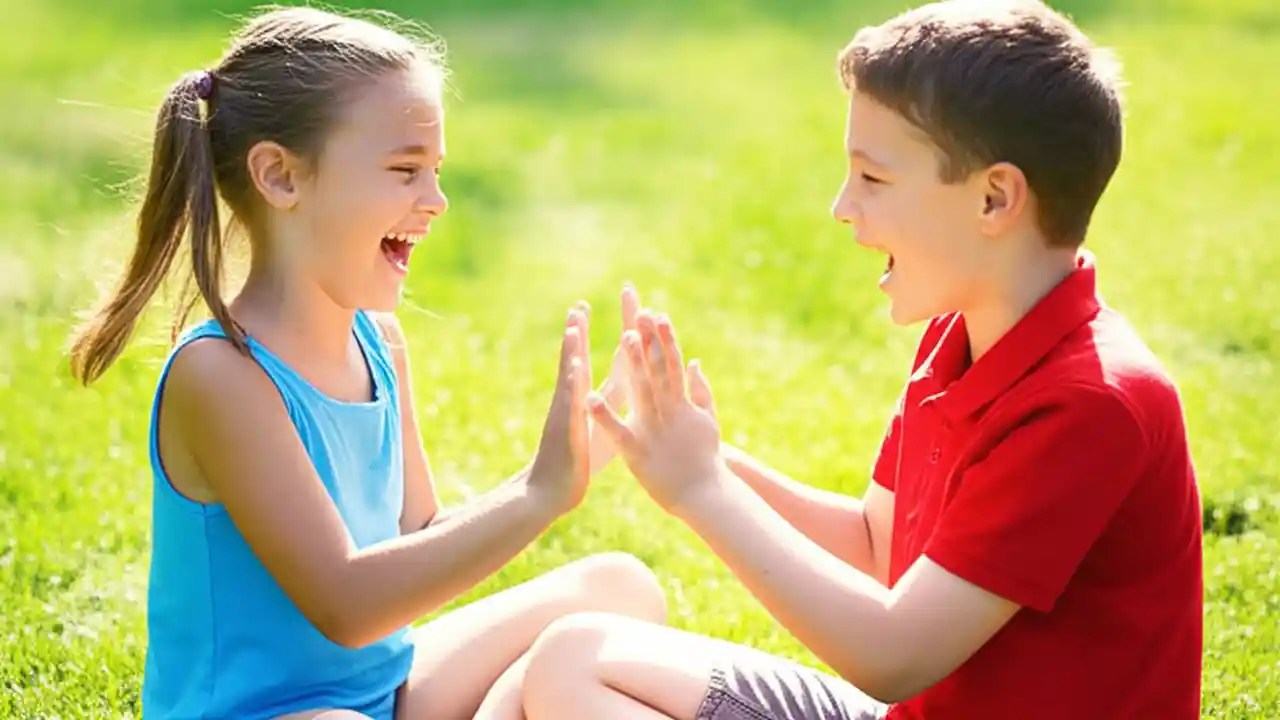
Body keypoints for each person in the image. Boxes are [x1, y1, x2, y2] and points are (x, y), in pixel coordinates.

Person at [527, 1, 1204, 718]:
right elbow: (879, 545)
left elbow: (893, 657)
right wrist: (699, 457)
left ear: (995, 197)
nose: (842, 207)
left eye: (873, 179)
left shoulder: (1092, 403)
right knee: (575, 657)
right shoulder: (959, 339)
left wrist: (700, 490)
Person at [68, 7, 663, 719]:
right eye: (404, 170)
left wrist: (571, 465)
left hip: (385, 694)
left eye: (435, 171)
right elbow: (347, 604)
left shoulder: (378, 342)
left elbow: (417, 542)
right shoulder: (221, 376)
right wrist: (537, 495)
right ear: (280, 176)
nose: (437, 200)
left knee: (617, 586)